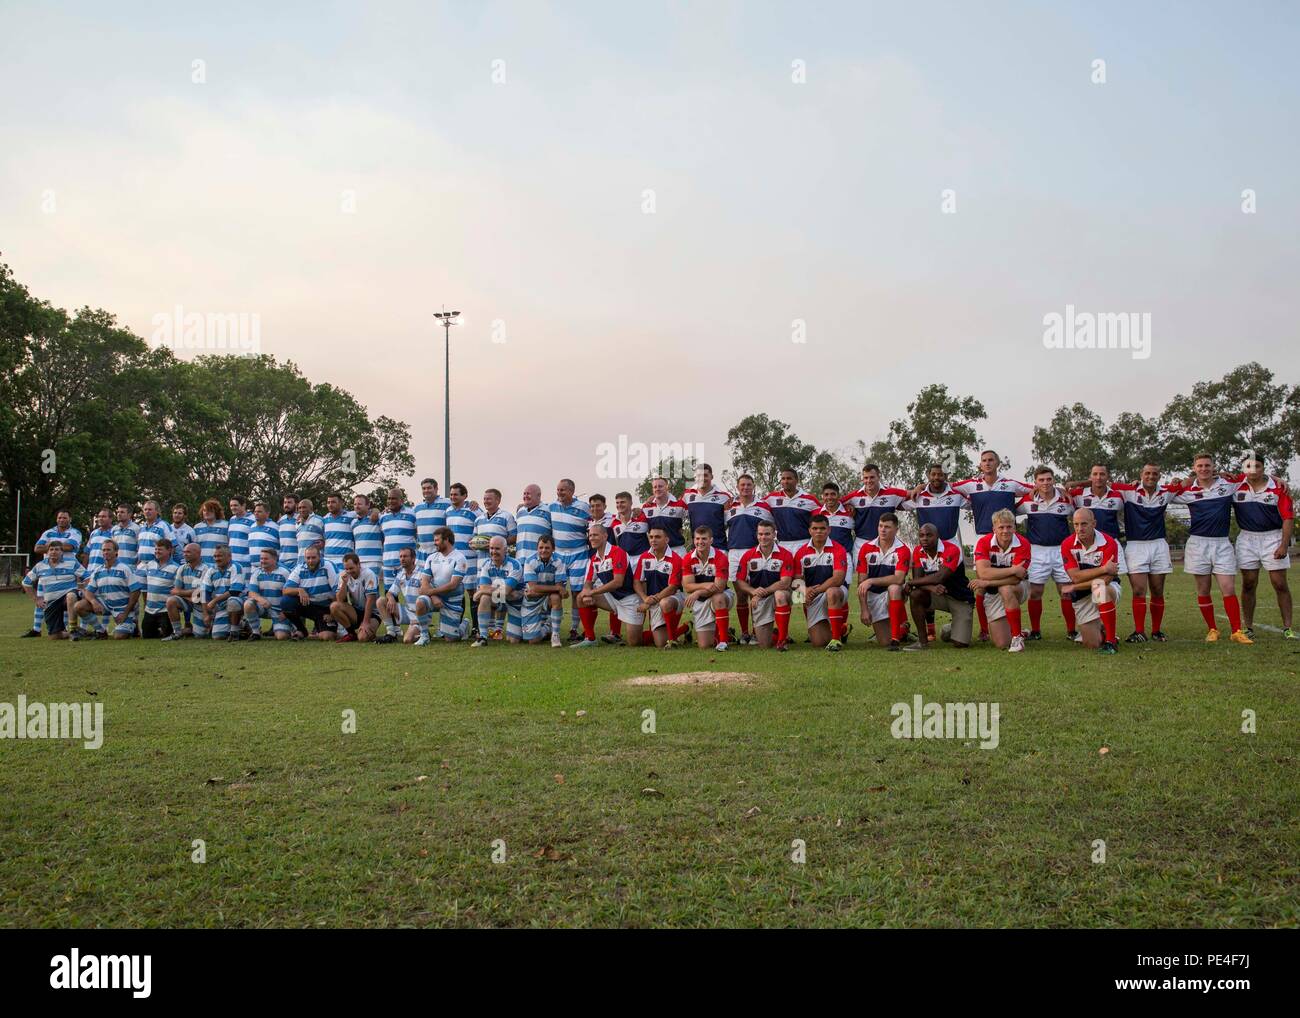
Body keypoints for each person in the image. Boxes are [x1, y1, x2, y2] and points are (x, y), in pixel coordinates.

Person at [1168, 454, 1252, 644]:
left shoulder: (1227, 484)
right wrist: (1179, 482)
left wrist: (1277, 479)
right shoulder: (1188, 490)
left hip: (1222, 543)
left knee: (1228, 588)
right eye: (1200, 466)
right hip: (1198, 544)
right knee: (1203, 590)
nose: (1204, 469)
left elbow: (1253, 476)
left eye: (1207, 465)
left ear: (1213, 467)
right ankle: (1212, 629)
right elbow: (1166, 493)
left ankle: (1236, 631)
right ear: (1194, 468)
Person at [950, 451, 1032, 641]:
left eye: (991, 460)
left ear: (998, 463)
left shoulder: (1010, 484)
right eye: (984, 461)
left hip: (1007, 535)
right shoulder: (971, 485)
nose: (987, 463)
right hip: (984, 538)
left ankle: (1020, 631)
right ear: (980, 465)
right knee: (981, 587)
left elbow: (1035, 489)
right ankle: (984, 630)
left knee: (1006, 586)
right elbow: (947, 487)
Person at [1113, 463, 1178, 642]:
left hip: (1158, 545)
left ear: (1159, 475)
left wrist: (1180, 480)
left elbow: (1187, 484)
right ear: (1141, 474)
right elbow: (1101, 482)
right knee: (1139, 590)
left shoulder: (1166, 492)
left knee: (1157, 590)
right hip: (1135, 545)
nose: (1151, 476)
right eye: (1147, 473)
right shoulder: (1128, 491)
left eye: (1155, 473)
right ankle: (1139, 631)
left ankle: (1156, 631)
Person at [1233, 456, 1295, 638]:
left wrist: (1284, 545)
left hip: (1272, 538)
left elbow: (1288, 518)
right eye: (1249, 466)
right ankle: (1249, 627)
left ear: (1263, 468)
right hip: (1246, 539)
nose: (1253, 470)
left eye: (1257, 466)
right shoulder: (1235, 485)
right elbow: (1211, 477)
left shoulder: (1278, 488)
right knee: (1249, 583)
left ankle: (1287, 627)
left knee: (1280, 583)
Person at [1015, 467, 1077, 641]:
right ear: (1035, 482)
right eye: (1041, 480)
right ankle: (1035, 631)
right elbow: (1010, 513)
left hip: (1061, 550)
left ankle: (1071, 631)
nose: (1045, 483)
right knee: (1036, 592)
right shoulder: (1028, 500)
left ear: (1053, 480)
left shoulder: (1065, 500)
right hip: (1037, 551)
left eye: (1048, 479)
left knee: (1065, 591)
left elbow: (1080, 515)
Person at [904, 524, 974, 651]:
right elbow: (918, 582)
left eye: (929, 535)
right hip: (937, 595)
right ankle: (922, 641)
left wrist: (911, 582)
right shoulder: (918, 551)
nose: (924, 538)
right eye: (921, 535)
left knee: (960, 643)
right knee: (916, 595)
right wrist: (930, 588)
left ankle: (951, 628)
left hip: (959, 597)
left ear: (937, 537)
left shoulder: (952, 549)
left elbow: (940, 577)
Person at [1061, 508, 1122, 654]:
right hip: (1082, 593)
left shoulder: (1108, 542)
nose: (1079, 529)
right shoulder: (1067, 544)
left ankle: (1111, 642)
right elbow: (1075, 577)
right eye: (1076, 524)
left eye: (1084, 524)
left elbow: (1106, 579)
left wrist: (1075, 587)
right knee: (1092, 644)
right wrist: (1103, 569)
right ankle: (1101, 629)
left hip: (1107, 587)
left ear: (1093, 523)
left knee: (1100, 588)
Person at [972, 508, 1031, 653]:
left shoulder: (1023, 543)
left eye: (1009, 526)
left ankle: (1017, 638)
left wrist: (988, 582)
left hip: (1018, 588)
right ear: (994, 529)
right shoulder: (983, 542)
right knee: (1001, 643)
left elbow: (1016, 579)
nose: (1005, 531)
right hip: (994, 590)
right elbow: (983, 572)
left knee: (1006, 589)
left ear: (1014, 527)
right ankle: (1018, 632)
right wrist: (1013, 569)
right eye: (1001, 527)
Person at [573, 523, 641, 648]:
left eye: (595, 535)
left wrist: (592, 592)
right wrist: (587, 592)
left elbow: (617, 582)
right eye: (590, 535)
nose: (592, 538)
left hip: (630, 599)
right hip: (612, 599)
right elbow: (588, 583)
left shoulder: (618, 552)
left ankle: (672, 633)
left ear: (605, 536)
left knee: (634, 642)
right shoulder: (594, 558)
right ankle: (590, 638)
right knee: (580, 597)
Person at [724, 474, 773, 645]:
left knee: (756, 592)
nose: (745, 487)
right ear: (737, 487)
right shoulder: (729, 507)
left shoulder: (764, 506)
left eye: (749, 484)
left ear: (754, 486)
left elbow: (772, 528)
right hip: (734, 553)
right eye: (742, 485)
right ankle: (744, 633)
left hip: (754, 553)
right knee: (741, 594)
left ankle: (755, 632)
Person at [854, 513, 912, 651]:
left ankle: (896, 639)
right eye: (880, 526)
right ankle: (902, 629)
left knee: (894, 588)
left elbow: (899, 578)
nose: (883, 530)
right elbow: (862, 583)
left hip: (891, 594)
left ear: (896, 529)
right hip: (873, 597)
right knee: (883, 641)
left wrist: (872, 580)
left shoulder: (903, 550)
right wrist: (864, 609)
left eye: (887, 527)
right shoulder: (866, 548)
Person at [734, 520, 795, 650]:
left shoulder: (786, 554)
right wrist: (753, 591)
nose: (763, 537)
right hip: (760, 598)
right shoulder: (748, 555)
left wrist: (762, 592)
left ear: (774, 535)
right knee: (764, 644)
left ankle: (782, 640)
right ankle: (776, 634)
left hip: (778, 594)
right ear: (756, 535)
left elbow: (785, 582)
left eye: (767, 534)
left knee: (780, 595)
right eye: (760, 534)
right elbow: (739, 581)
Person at [792, 514, 850, 651]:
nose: (819, 531)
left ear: (829, 530)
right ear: (809, 530)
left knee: (833, 591)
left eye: (822, 528)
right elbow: (795, 581)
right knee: (819, 642)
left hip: (833, 591)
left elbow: (838, 579)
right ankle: (841, 629)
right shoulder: (801, 552)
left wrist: (816, 591)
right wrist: (805, 591)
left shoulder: (839, 549)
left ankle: (836, 639)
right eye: (815, 528)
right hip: (813, 595)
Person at [548, 479, 592, 642]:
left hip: (578, 554)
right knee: (556, 590)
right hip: (558, 554)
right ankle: (553, 630)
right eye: (558, 490)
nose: (559, 493)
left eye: (563, 490)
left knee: (576, 593)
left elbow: (596, 521)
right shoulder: (551, 506)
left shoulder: (583, 507)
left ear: (572, 491)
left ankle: (574, 629)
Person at [679, 525, 734, 650]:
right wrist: (704, 586)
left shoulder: (721, 557)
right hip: (701, 600)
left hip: (723, 596)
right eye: (697, 539)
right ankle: (721, 632)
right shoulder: (687, 558)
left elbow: (719, 587)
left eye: (704, 539)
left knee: (718, 597)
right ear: (693, 540)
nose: (700, 542)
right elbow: (687, 586)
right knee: (704, 645)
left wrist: (697, 592)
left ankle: (724, 641)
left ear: (711, 540)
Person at [633, 525, 688, 648]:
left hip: (671, 598)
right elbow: (637, 581)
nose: (653, 540)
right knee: (636, 640)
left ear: (666, 540)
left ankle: (676, 634)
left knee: (661, 643)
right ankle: (684, 629)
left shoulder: (675, 559)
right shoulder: (644, 557)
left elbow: (673, 587)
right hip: (652, 599)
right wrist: (644, 597)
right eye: (651, 537)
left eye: (658, 537)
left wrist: (650, 602)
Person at [71, 538, 139, 639]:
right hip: (105, 605)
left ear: (116, 552)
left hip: (122, 607)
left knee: (119, 636)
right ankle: (101, 631)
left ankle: (133, 625)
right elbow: (89, 591)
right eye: (103, 550)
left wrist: (125, 613)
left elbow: (136, 591)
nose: (105, 552)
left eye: (108, 550)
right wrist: (94, 602)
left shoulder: (125, 569)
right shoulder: (98, 571)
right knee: (78, 606)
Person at [416, 526, 469, 643]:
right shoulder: (431, 558)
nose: (435, 543)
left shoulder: (460, 558)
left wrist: (430, 592)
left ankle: (464, 625)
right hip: (434, 597)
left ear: (446, 540)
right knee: (420, 602)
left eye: (437, 540)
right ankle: (424, 636)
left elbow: (453, 585)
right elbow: (424, 581)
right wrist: (433, 596)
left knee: (451, 639)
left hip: (452, 600)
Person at [23, 541, 84, 639]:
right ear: (47, 552)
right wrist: (36, 599)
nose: (54, 552)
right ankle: (78, 633)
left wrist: (84, 590)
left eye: (57, 549)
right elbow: (26, 582)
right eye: (51, 549)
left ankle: (73, 629)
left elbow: (88, 577)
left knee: (71, 596)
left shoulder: (72, 563)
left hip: (68, 597)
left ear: (62, 552)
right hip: (51, 601)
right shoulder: (40, 566)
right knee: (54, 636)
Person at [283, 544, 338, 641]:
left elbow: (337, 592)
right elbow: (285, 590)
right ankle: (301, 629)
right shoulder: (299, 568)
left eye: (313, 557)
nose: (310, 561)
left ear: (320, 557)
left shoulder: (328, 566)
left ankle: (324, 627)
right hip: (309, 606)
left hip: (326, 608)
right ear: (304, 558)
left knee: (326, 637)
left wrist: (332, 614)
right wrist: (299, 590)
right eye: (308, 558)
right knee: (286, 602)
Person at [521, 533, 567, 646]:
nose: (543, 550)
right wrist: (556, 588)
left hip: (548, 598)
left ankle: (555, 636)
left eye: (547, 548)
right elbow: (533, 587)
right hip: (531, 601)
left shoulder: (559, 561)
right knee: (532, 641)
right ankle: (547, 626)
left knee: (556, 597)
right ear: (537, 548)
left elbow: (559, 588)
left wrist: (555, 589)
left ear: (553, 549)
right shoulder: (530, 561)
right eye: (541, 547)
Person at [381, 546, 433, 645]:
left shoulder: (422, 573)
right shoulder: (401, 574)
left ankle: (423, 631)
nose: (402, 559)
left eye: (405, 556)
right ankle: (391, 633)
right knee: (381, 601)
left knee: (407, 640)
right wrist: (391, 598)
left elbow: (429, 593)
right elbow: (389, 592)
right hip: (407, 611)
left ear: (413, 558)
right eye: (400, 556)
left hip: (420, 614)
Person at [766, 468, 821, 556]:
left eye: (789, 478)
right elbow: (756, 505)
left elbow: (824, 515)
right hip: (782, 544)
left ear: (796, 480)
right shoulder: (771, 498)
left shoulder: (810, 499)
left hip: (804, 543)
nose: (786, 481)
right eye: (783, 479)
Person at [243, 548, 292, 641]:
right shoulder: (257, 572)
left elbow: (292, 593)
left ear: (274, 559)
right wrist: (260, 599)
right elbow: (251, 592)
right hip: (264, 608)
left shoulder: (285, 572)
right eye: (261, 558)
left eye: (266, 559)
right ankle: (256, 633)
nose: (262, 561)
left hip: (280, 611)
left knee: (282, 637)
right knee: (248, 604)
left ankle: (282, 627)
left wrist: (287, 612)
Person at [331, 552, 380, 643]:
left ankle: (367, 630)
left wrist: (365, 622)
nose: (349, 571)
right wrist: (344, 583)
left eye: (351, 568)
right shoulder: (344, 575)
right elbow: (340, 600)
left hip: (373, 613)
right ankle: (351, 634)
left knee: (362, 638)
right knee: (334, 606)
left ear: (358, 564)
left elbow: (371, 599)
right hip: (356, 611)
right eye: (346, 569)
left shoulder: (369, 574)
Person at [137, 538, 181, 639]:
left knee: (167, 634)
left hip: (164, 610)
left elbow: (177, 589)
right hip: (150, 610)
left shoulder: (176, 568)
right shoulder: (150, 565)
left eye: (160, 549)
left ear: (169, 550)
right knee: (147, 636)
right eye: (156, 549)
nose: (157, 552)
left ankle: (179, 631)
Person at [164, 543, 209, 640]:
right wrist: (189, 595)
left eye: (188, 552)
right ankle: (177, 632)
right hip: (189, 601)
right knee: (171, 601)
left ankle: (189, 630)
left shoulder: (206, 569)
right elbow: (175, 590)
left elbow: (202, 592)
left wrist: (181, 593)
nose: (184, 554)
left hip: (202, 603)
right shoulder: (182, 568)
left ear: (198, 553)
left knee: (200, 635)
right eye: (184, 552)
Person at [202, 543, 246, 641]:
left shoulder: (236, 567)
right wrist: (206, 614)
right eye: (215, 556)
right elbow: (204, 592)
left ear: (229, 556)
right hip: (221, 606)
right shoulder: (211, 570)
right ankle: (242, 627)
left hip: (239, 602)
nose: (217, 558)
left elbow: (234, 591)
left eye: (220, 556)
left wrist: (214, 601)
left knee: (233, 601)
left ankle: (236, 630)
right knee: (218, 636)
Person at [641, 477, 688, 551]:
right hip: (656, 551)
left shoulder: (679, 505)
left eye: (660, 486)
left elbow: (695, 515)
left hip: (676, 550)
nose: (657, 489)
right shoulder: (646, 507)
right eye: (655, 487)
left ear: (667, 488)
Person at [413, 478, 451, 557]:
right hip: (422, 553)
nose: (426, 490)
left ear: (436, 489)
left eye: (429, 488)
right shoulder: (417, 508)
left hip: (440, 552)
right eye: (424, 488)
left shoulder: (447, 503)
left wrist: (471, 503)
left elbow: (460, 504)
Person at [321, 492, 356, 571]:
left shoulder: (351, 516)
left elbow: (368, 512)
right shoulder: (324, 519)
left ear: (341, 503)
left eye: (333, 502)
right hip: (327, 560)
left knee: (344, 583)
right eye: (328, 502)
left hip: (345, 559)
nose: (330, 505)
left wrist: (375, 510)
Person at [194, 498, 228, 568]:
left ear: (216, 511)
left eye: (210, 510)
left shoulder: (226, 525)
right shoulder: (197, 527)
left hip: (219, 565)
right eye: (204, 510)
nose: (206, 512)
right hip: (201, 566)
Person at [277, 494, 300, 573]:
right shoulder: (281, 521)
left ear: (296, 504)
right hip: (282, 562)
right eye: (285, 502)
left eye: (289, 502)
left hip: (296, 562)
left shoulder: (301, 519)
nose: (286, 505)